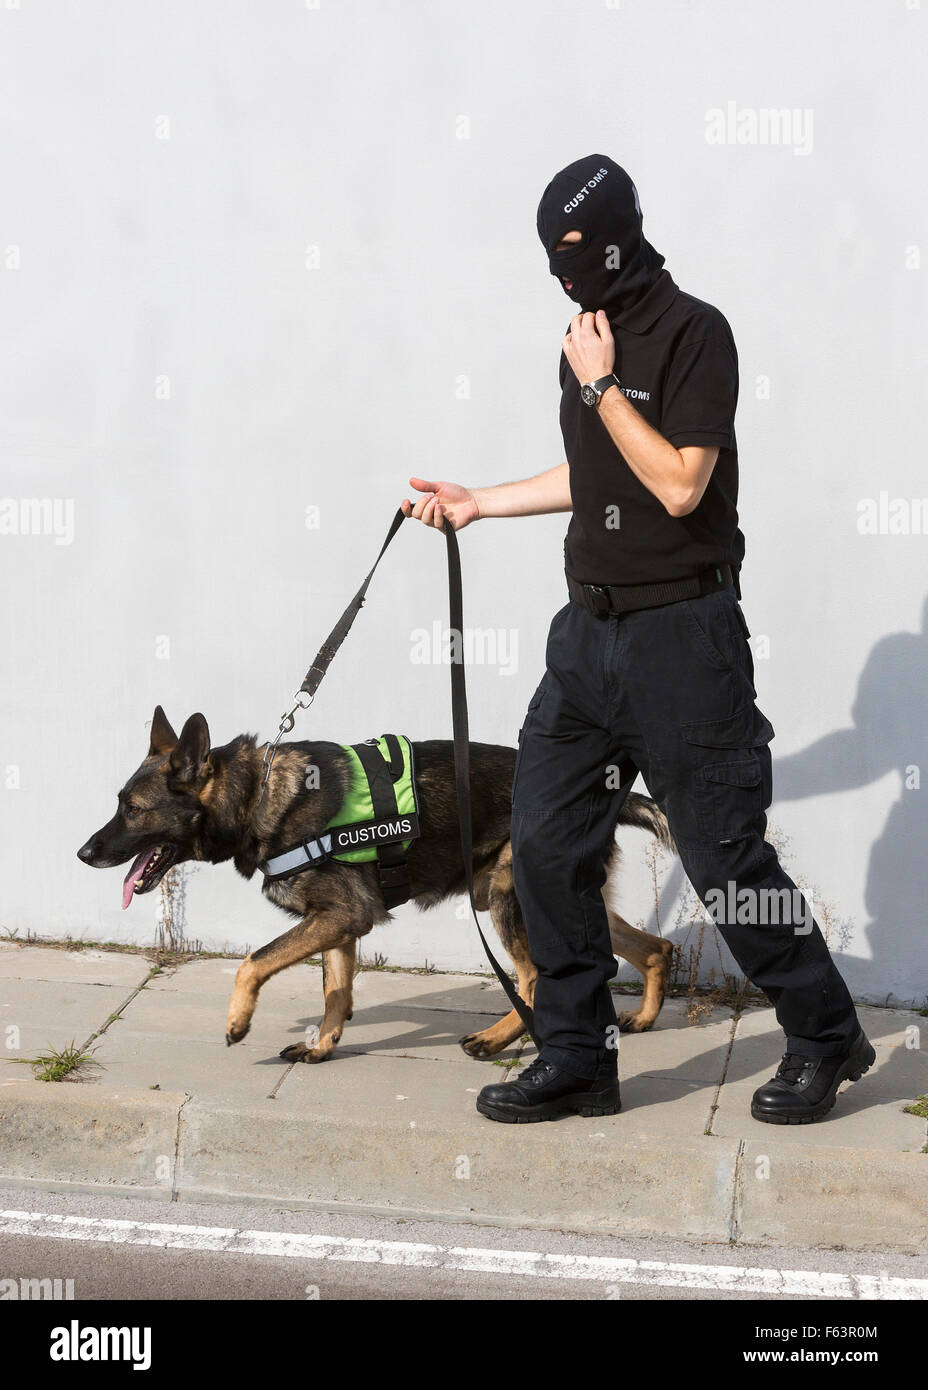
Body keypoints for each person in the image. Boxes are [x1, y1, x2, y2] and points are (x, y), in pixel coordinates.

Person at [401, 152, 873, 1126]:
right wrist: (480, 502)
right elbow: (598, 475)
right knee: (541, 844)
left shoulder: (692, 334)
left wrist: (605, 382)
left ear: (621, 231)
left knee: (724, 861)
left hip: (682, 640)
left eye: (572, 248)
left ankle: (826, 1034)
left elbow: (677, 484)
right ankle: (578, 1056)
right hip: (586, 640)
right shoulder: (585, 339)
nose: (560, 271)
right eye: (548, 256)